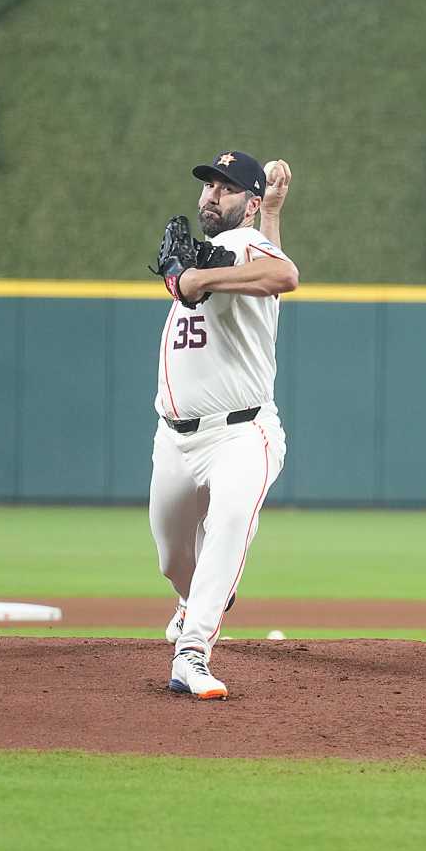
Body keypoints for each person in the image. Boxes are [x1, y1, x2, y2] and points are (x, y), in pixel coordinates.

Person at [148, 150, 301, 699]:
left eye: (226, 189)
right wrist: (193, 275)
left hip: (242, 433)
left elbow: (284, 272)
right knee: (172, 558)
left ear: (250, 203)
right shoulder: (229, 248)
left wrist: (200, 277)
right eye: (209, 186)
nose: (211, 196)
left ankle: (192, 653)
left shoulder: (236, 247)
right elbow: (266, 258)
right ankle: (193, 601)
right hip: (174, 436)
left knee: (230, 523)